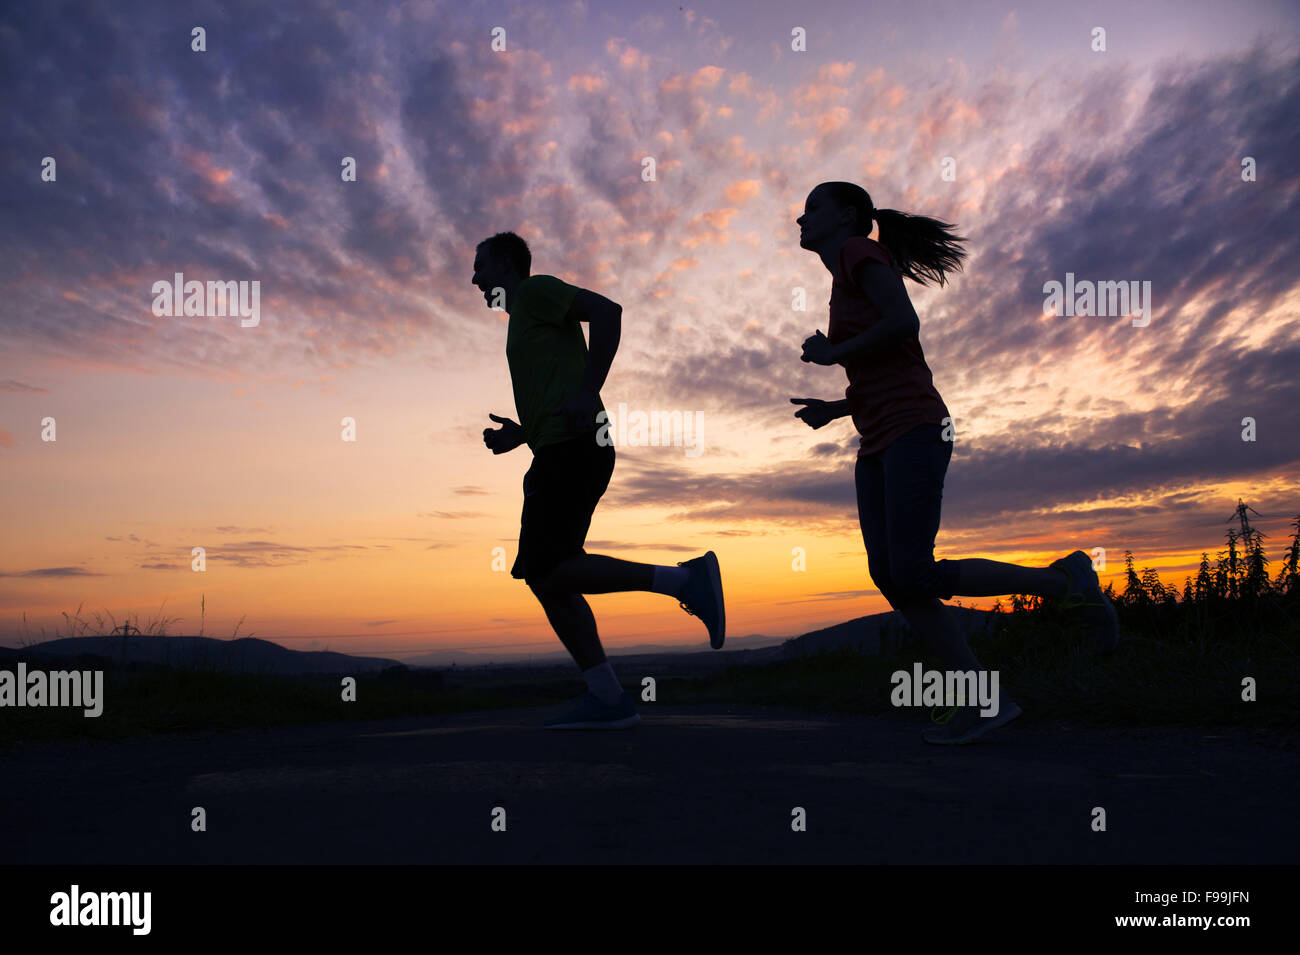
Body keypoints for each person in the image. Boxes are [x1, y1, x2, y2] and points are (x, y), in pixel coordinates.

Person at [789, 182, 1119, 744]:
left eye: (814, 207)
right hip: (878, 439)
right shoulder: (845, 272)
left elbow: (903, 323)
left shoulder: (857, 253)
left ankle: (1064, 583)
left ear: (848, 216)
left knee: (913, 572)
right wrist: (837, 406)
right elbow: (887, 365)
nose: (800, 217)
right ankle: (981, 698)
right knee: (890, 575)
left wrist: (833, 352)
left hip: (915, 429)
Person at [473, 231, 725, 730]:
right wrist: (523, 434)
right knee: (548, 576)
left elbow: (609, 311)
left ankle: (684, 579)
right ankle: (607, 696)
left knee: (546, 571)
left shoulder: (535, 291)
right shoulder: (522, 319)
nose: (476, 278)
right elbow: (557, 392)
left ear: (506, 264)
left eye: (481, 266)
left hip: (578, 446)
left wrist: (590, 392)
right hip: (561, 446)